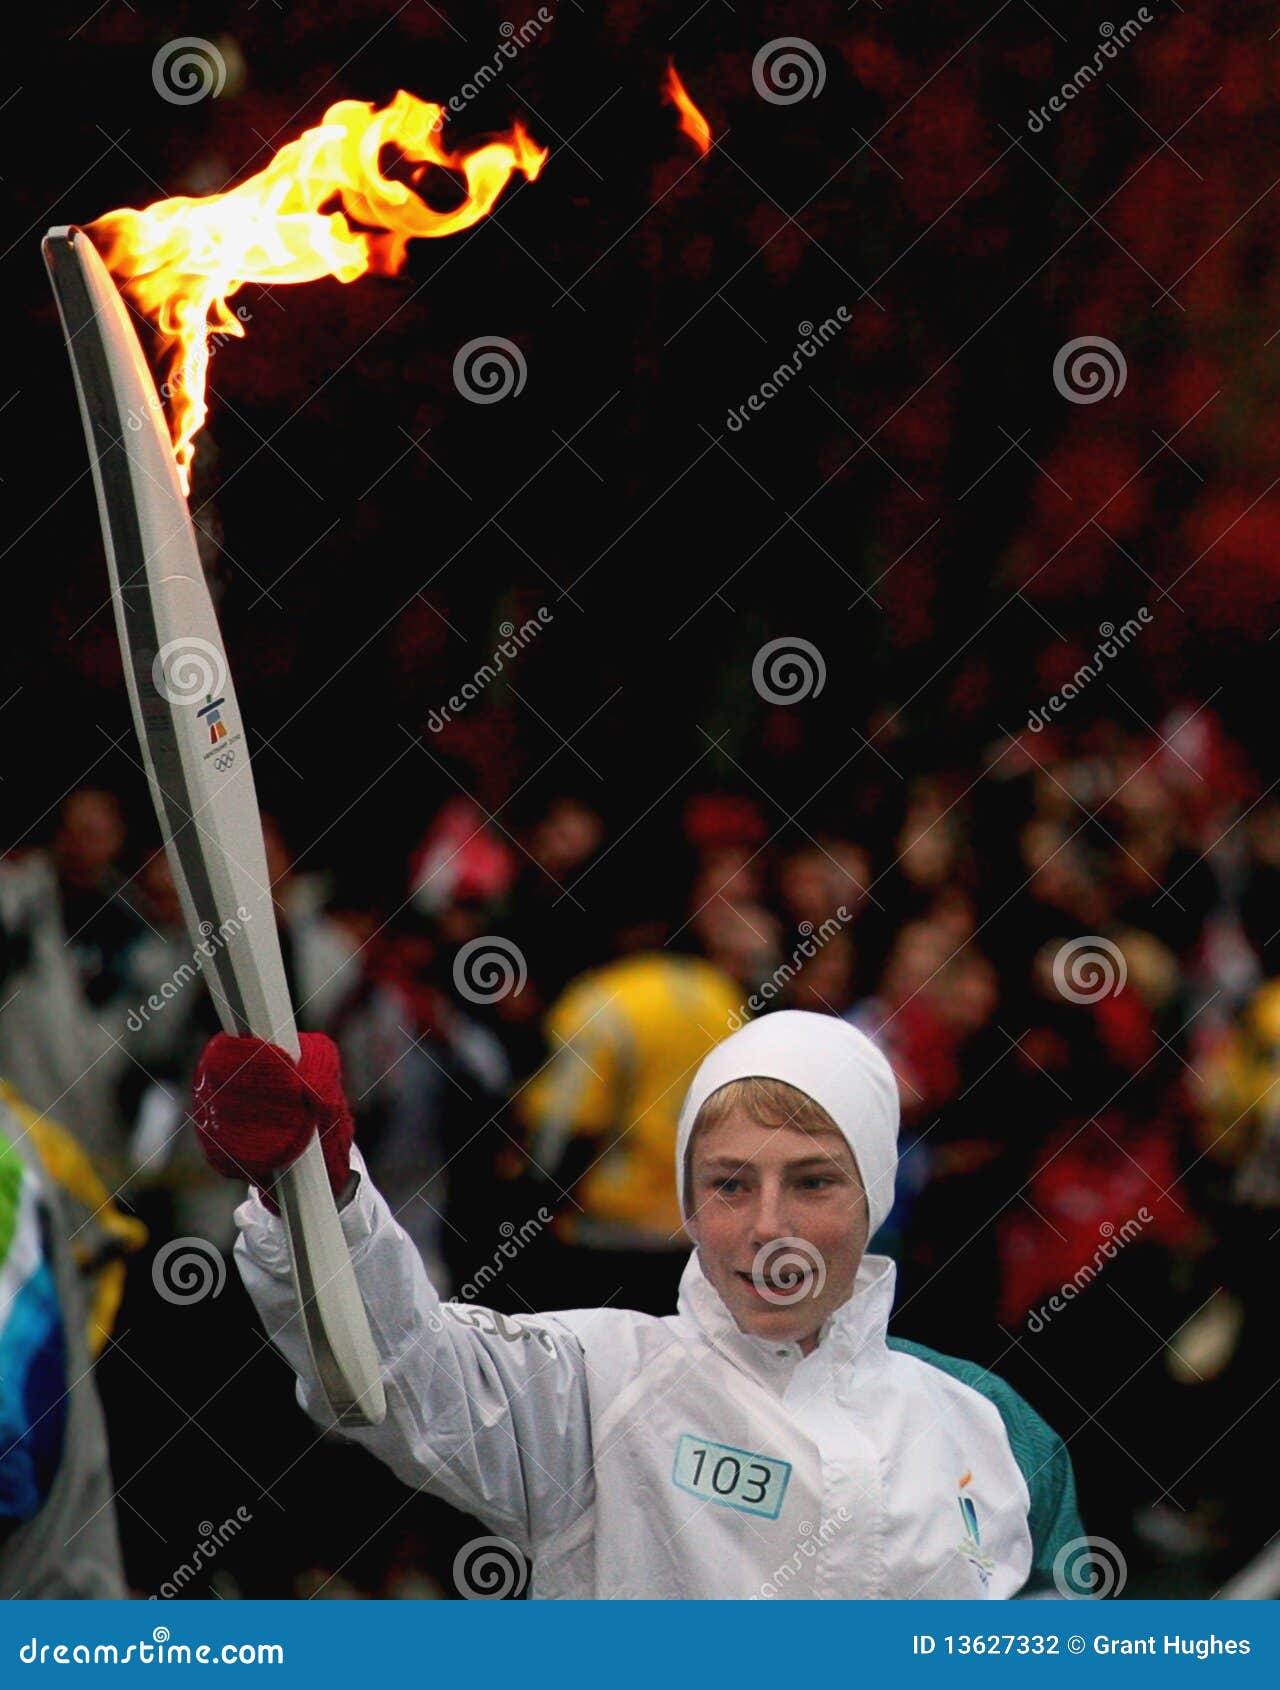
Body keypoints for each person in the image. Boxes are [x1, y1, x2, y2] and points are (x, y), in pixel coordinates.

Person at [196, 1009, 1085, 1599]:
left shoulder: (993, 1430)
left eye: (813, 1181)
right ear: (689, 1206)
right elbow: (394, 1370)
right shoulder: (597, 1383)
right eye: (730, 1185)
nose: (769, 1226)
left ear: (876, 1195)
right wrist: (316, 1194)